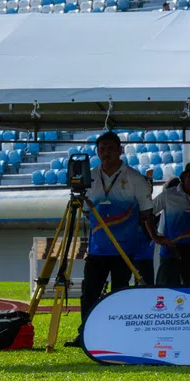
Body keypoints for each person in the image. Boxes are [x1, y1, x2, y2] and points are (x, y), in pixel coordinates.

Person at [68, 132, 170, 347]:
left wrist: (144, 232)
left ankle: (118, 334)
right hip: (97, 249)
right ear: (97, 151)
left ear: (120, 150)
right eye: (101, 148)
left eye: (110, 148)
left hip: (124, 249)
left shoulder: (134, 178)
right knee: (89, 293)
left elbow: (146, 212)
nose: (105, 153)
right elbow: (86, 211)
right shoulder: (90, 177)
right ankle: (86, 333)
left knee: (120, 293)